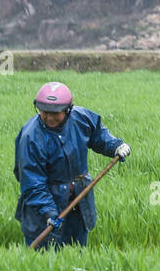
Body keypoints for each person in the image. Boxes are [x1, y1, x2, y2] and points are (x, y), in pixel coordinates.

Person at [14, 82, 131, 250]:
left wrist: (115, 146)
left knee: (77, 254)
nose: (50, 117)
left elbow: (98, 135)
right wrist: (48, 212)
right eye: (45, 112)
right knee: (46, 259)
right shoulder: (30, 137)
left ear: (68, 110)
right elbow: (32, 182)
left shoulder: (81, 118)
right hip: (44, 207)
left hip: (79, 199)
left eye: (56, 113)